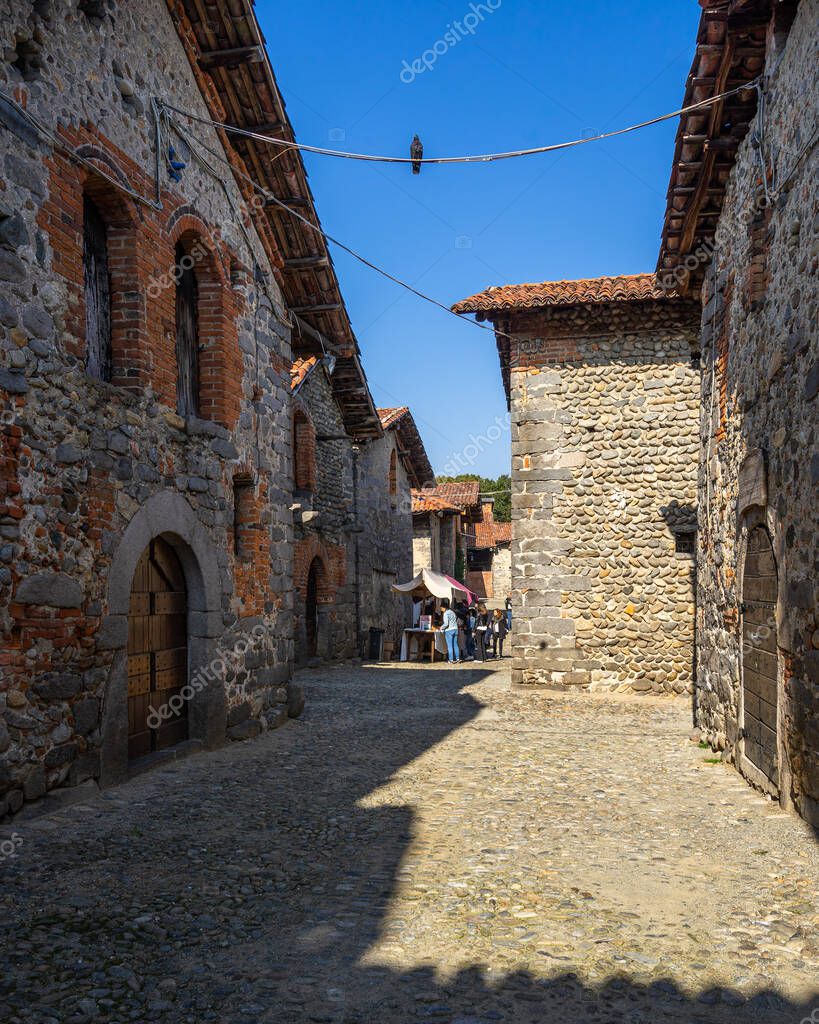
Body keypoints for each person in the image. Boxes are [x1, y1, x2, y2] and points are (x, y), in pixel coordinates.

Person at [439, 598, 460, 664]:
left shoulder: (446, 613)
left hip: (449, 630)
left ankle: (451, 659)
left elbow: (446, 624)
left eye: (441, 607)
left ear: (444, 607)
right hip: (455, 629)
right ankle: (458, 658)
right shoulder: (452, 612)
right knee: (455, 645)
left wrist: (441, 628)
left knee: (450, 646)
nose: (441, 609)